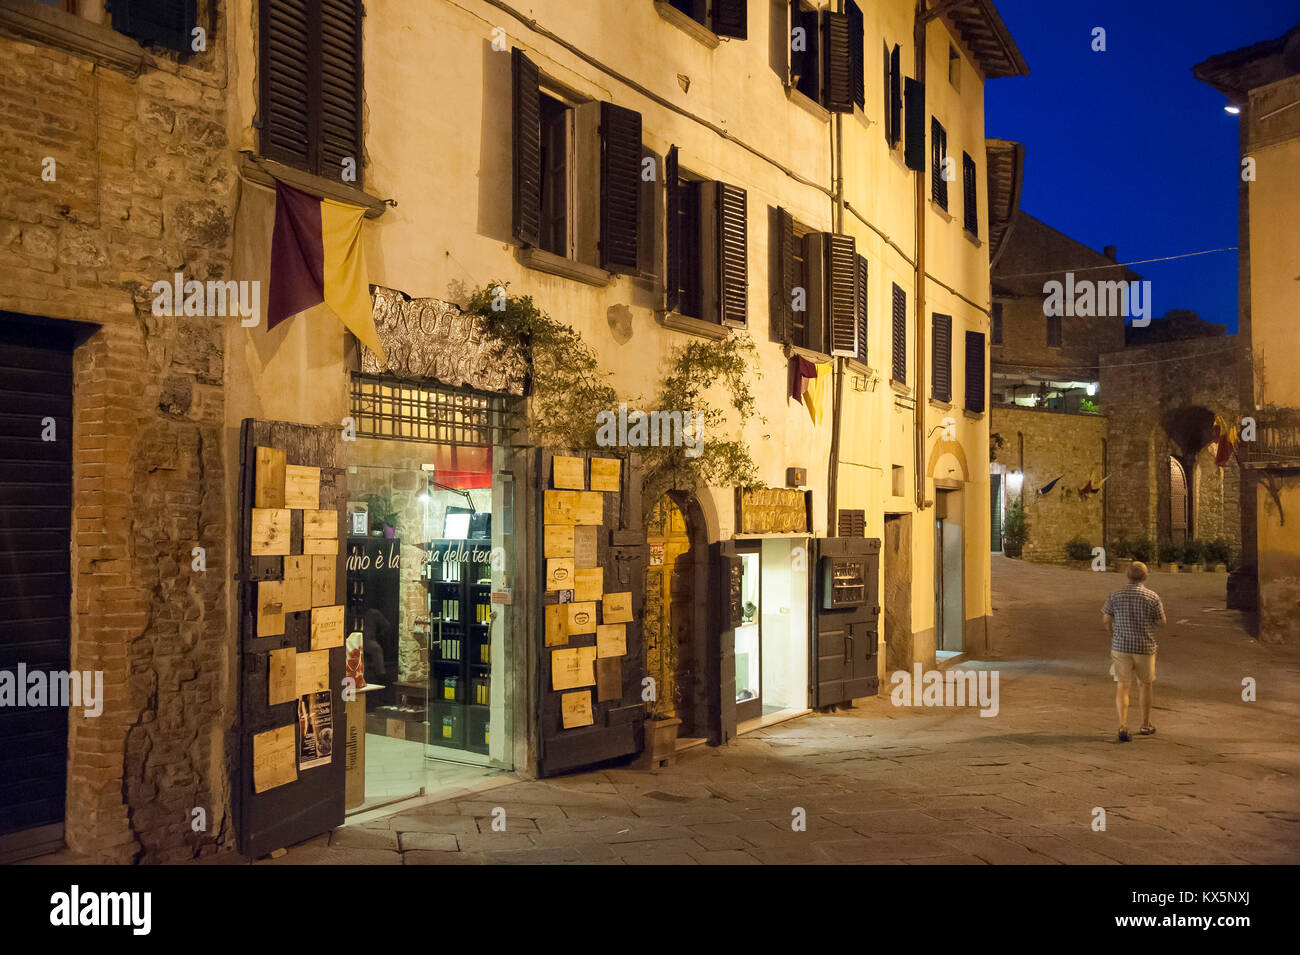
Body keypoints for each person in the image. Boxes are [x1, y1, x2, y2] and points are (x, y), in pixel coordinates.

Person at [1102, 561, 1166, 742]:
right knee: (1145, 685)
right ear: (1145, 577)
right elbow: (1162, 622)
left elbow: (1106, 619)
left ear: (1127, 576)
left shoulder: (1115, 595)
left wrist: (1112, 632)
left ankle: (1123, 725)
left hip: (1121, 646)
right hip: (1144, 646)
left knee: (1122, 686)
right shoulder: (1152, 597)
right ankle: (1145, 724)